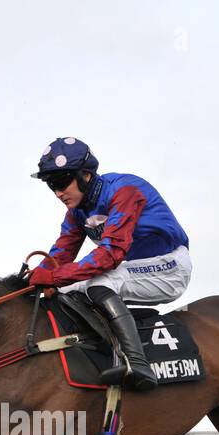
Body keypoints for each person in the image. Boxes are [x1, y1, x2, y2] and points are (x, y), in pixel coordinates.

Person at [26, 137, 192, 391]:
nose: (58, 193)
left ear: (86, 176)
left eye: (61, 182)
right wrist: (36, 278)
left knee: (101, 281)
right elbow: (61, 253)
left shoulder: (124, 190)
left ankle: (138, 364)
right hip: (134, 269)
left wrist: (55, 277)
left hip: (169, 266)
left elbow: (110, 255)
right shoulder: (76, 212)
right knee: (66, 290)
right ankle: (98, 351)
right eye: (51, 185)